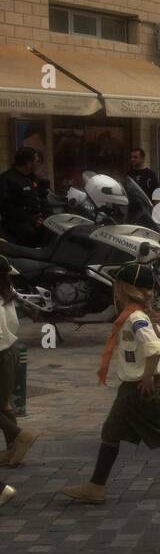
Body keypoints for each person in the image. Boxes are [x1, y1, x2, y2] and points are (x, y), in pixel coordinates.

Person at [62, 263, 160, 504]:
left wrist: (147, 377)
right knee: (111, 431)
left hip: (142, 388)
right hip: (132, 387)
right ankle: (96, 485)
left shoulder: (136, 317)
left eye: (116, 286)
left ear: (124, 289)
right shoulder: (138, 313)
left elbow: (154, 349)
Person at [0, 255, 38, 468]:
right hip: (9, 351)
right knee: (3, 406)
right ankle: (12, 448)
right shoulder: (7, 296)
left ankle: (21, 435)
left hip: (1, 354)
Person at [0, 147, 45, 245]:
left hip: (36, 225)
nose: (38, 163)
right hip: (17, 231)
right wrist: (32, 219)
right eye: (37, 161)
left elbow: (38, 200)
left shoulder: (30, 177)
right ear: (28, 163)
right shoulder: (7, 179)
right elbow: (7, 209)